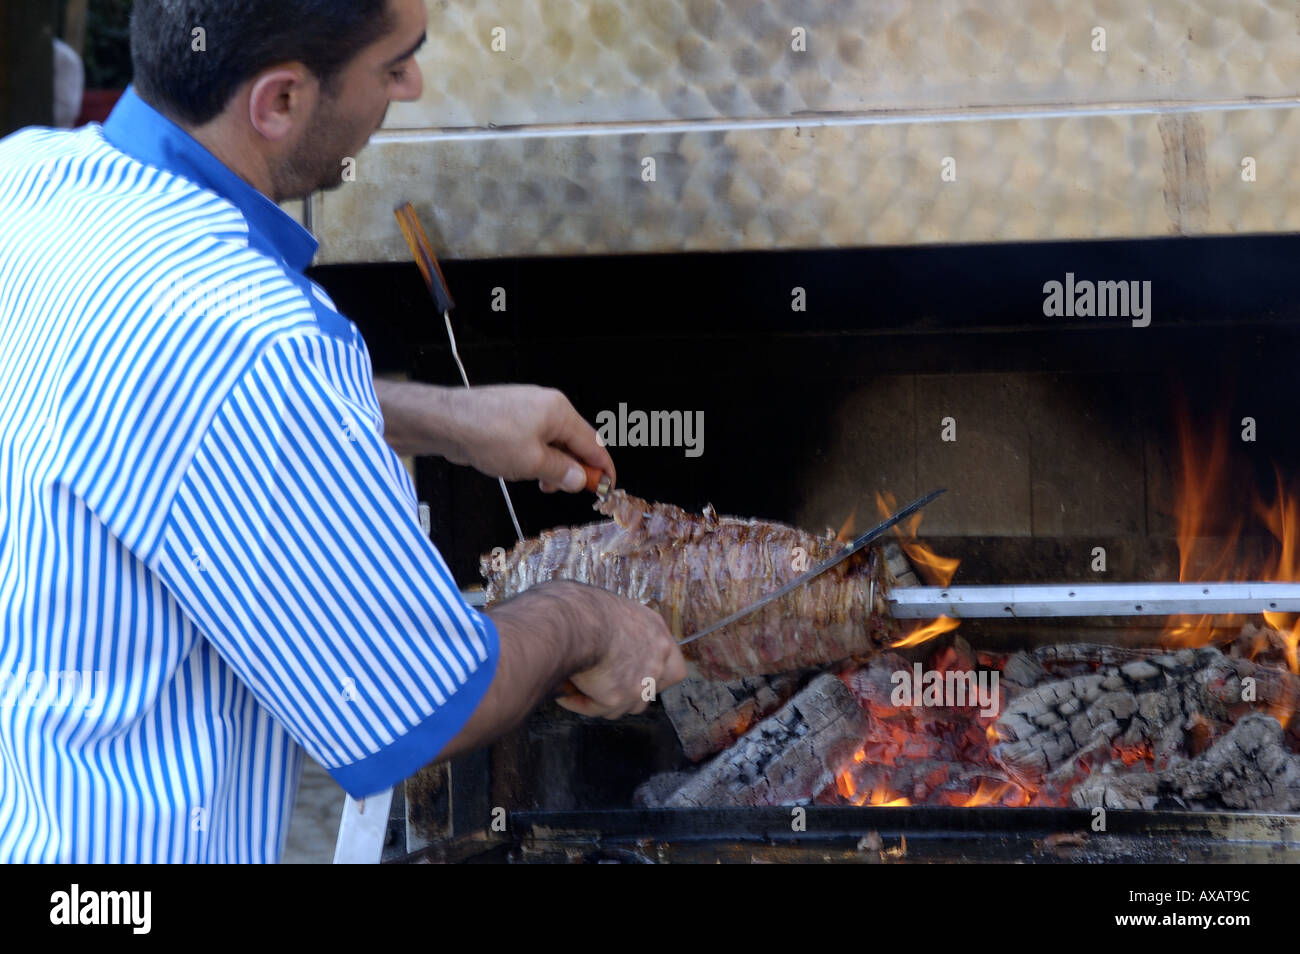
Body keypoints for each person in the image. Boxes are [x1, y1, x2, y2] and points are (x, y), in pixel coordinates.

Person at [0, 0, 686, 863]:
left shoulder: (26, 178)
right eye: (395, 63)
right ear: (280, 101)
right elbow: (419, 706)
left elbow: (143, 394)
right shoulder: (258, 340)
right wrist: (590, 621)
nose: (415, 83)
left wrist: (441, 418)